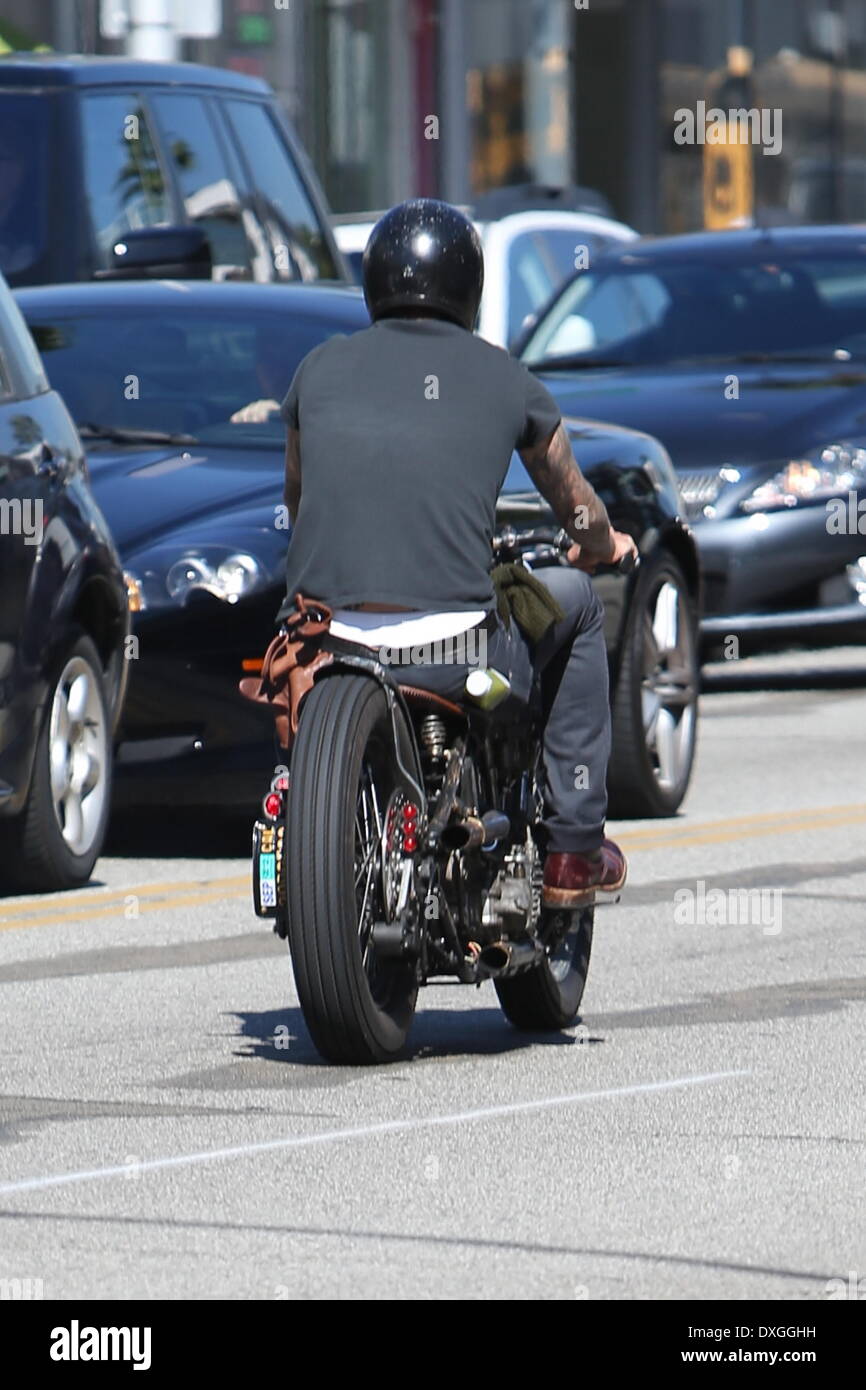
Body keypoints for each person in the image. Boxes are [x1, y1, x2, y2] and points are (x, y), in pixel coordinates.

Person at [277, 199, 636, 907]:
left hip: (327, 644)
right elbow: (576, 503)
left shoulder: (317, 371)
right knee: (580, 605)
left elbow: (299, 500)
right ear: (468, 286)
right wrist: (604, 543)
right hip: (453, 654)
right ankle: (570, 853)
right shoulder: (502, 375)